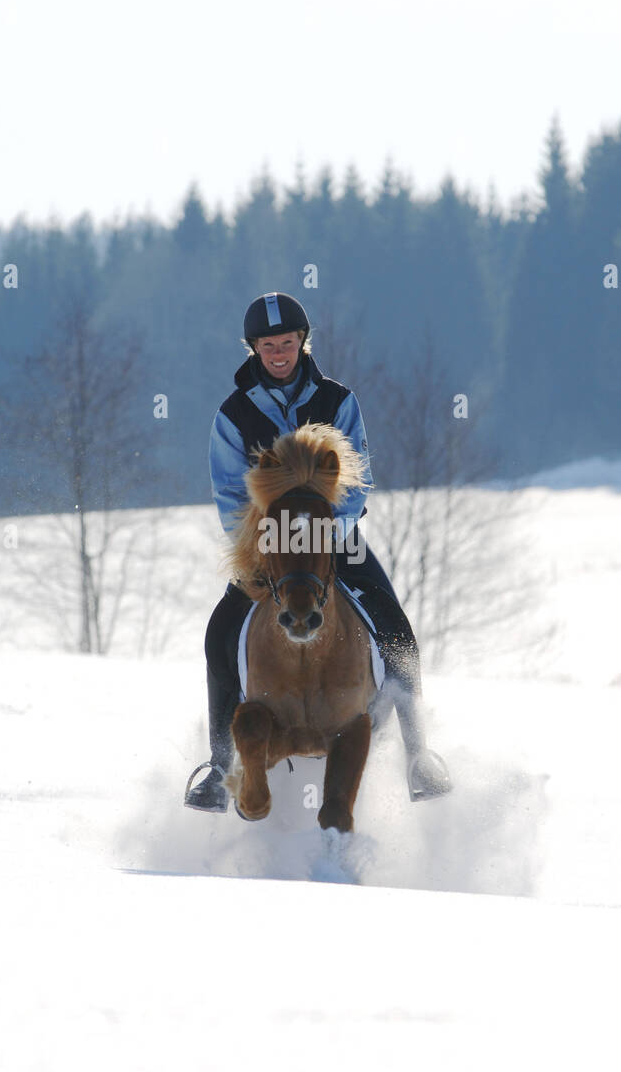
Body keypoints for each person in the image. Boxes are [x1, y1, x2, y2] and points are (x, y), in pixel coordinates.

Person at [184, 291, 452, 812]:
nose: (279, 352)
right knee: (220, 633)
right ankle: (219, 767)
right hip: (267, 545)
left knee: (394, 625)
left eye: (287, 342)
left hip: (334, 538)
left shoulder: (337, 400)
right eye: (268, 345)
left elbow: (358, 475)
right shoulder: (233, 414)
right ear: (253, 349)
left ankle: (419, 757)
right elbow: (229, 492)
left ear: (302, 342)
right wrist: (263, 541)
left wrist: (328, 531)